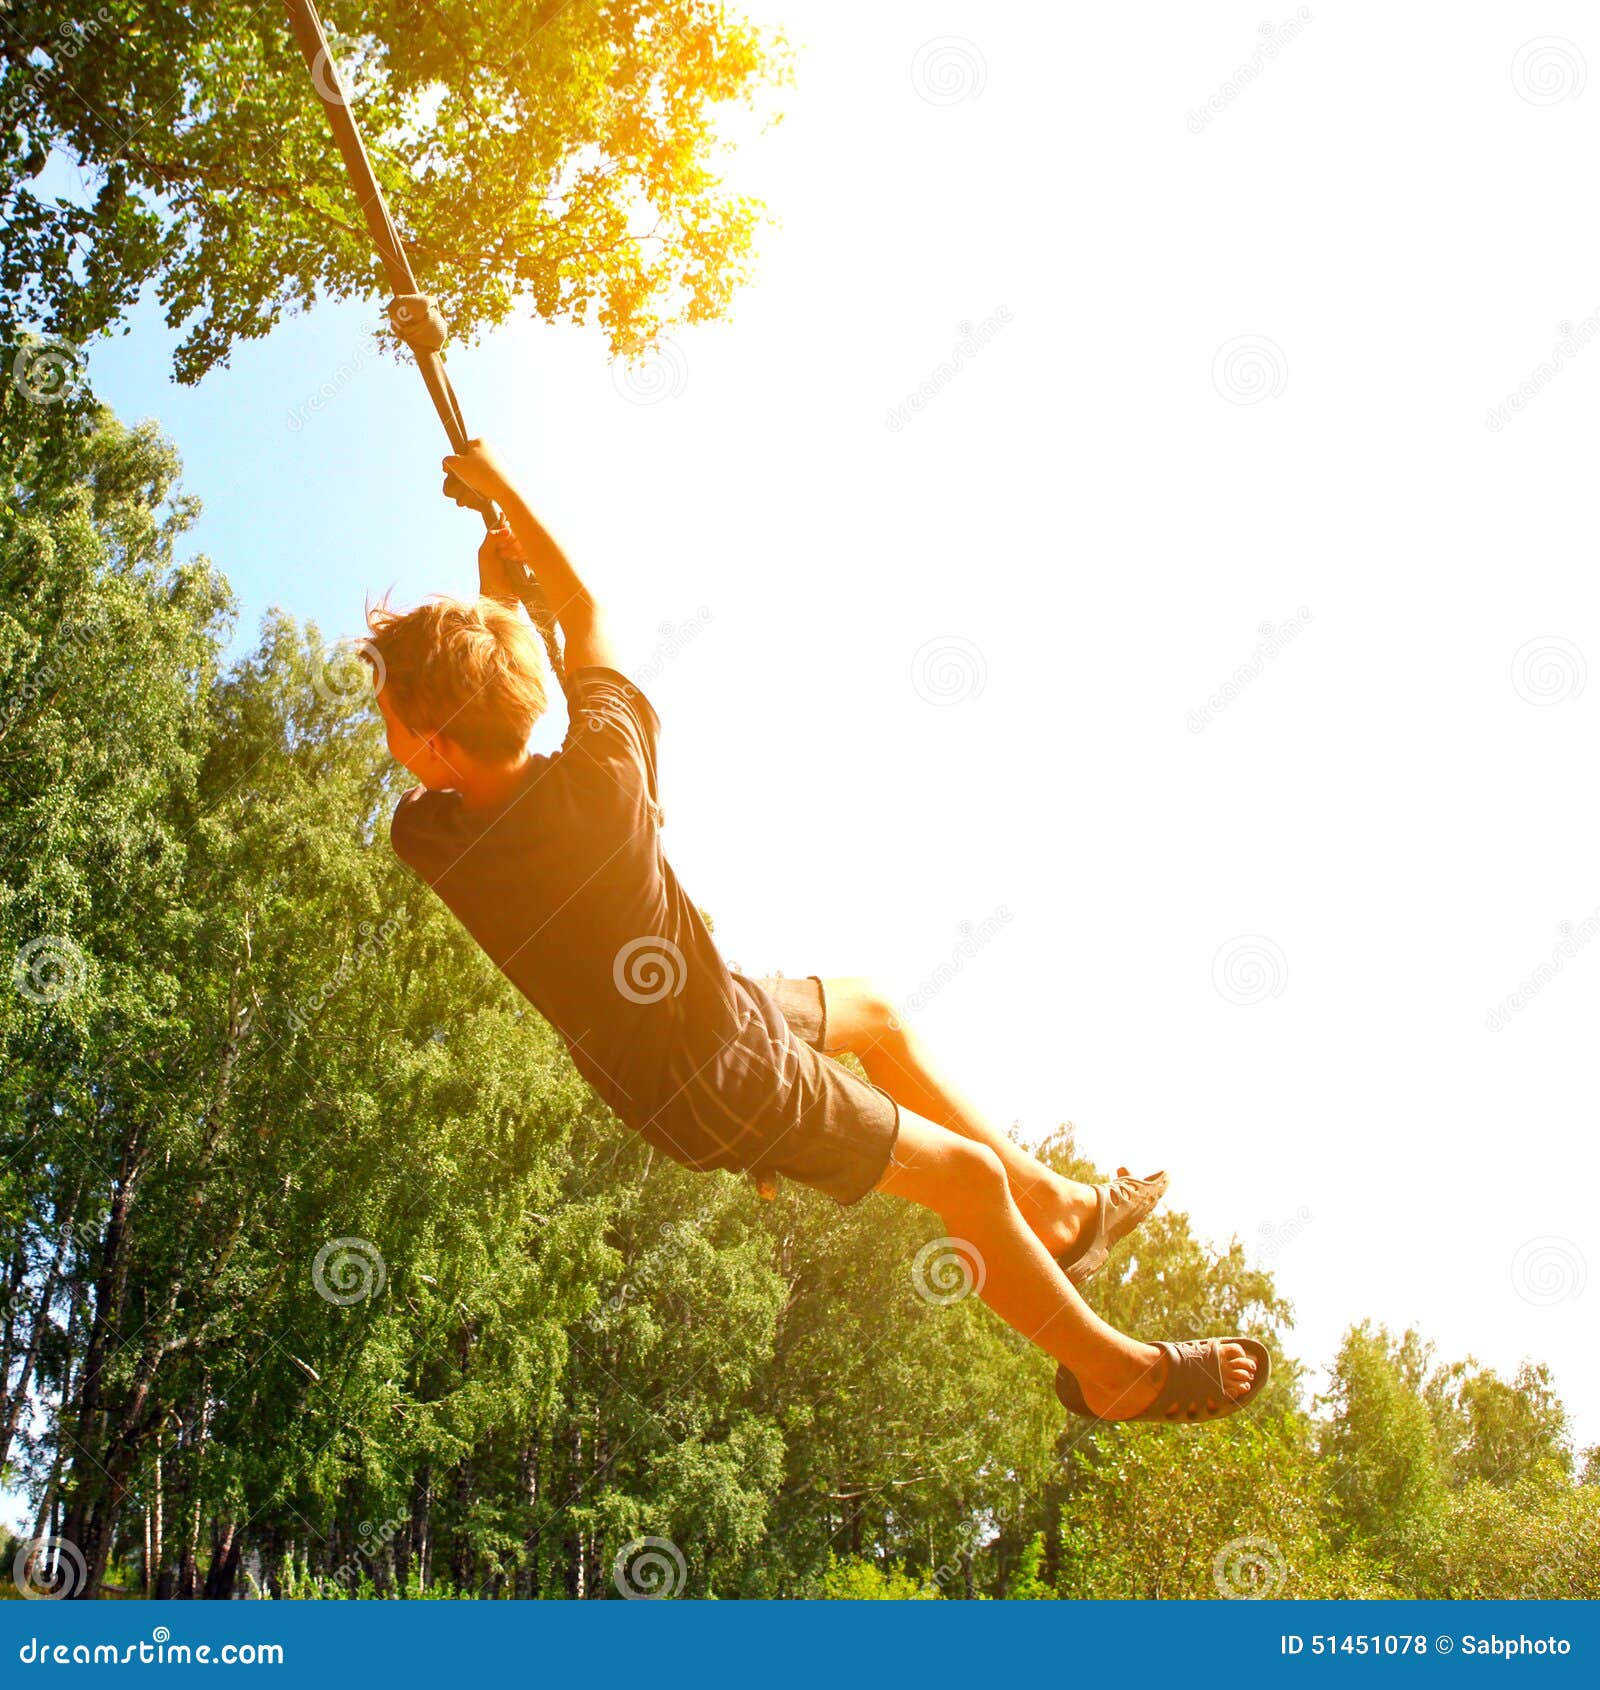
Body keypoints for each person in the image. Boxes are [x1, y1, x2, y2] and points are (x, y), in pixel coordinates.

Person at [362, 439, 1269, 1425]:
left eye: (387, 713)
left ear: (436, 745)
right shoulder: (605, 769)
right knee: (960, 1182)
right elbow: (584, 613)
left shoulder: (430, 832)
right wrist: (506, 507)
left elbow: (482, 736)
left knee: (875, 1012)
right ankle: (1116, 1371)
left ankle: (1056, 1209)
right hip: (710, 1063)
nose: (384, 725)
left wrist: (494, 607)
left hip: (707, 1038)